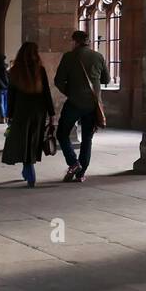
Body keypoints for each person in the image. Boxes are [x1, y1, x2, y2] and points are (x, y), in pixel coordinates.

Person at [53, 30, 108, 182]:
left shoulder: (69, 57)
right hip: (92, 104)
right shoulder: (98, 56)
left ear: (75, 42)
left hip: (74, 103)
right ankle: (81, 173)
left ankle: (73, 162)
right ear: (88, 41)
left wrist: (70, 92)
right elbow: (106, 79)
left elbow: (58, 80)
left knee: (62, 134)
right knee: (87, 138)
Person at [1, 42, 55, 187]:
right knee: (33, 140)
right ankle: (29, 168)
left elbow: (11, 94)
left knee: (22, 140)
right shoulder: (40, 70)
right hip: (38, 111)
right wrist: (52, 113)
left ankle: (28, 168)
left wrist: (9, 113)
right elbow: (46, 93)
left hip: (21, 110)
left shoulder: (15, 71)